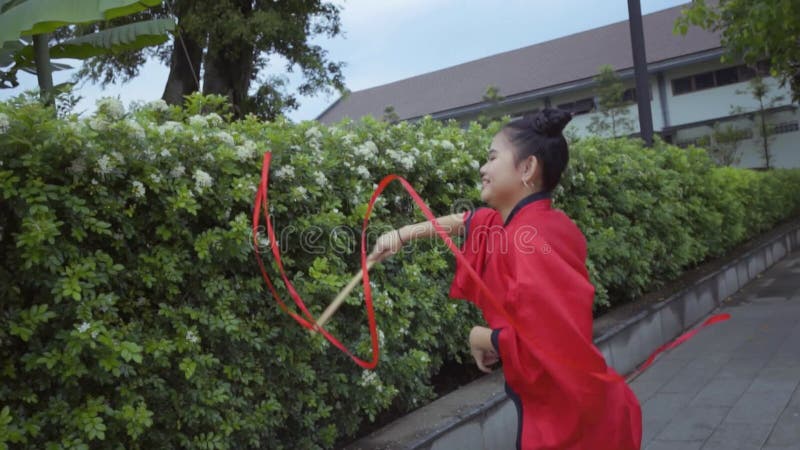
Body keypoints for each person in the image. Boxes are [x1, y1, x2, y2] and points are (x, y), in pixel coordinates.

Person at [367, 109, 642, 450]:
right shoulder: (531, 224)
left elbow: (544, 342)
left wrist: (482, 336)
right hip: (568, 408)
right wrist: (402, 234)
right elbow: (469, 220)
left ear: (526, 168)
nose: (483, 168)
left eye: (493, 157)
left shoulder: (530, 239)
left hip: (570, 425)